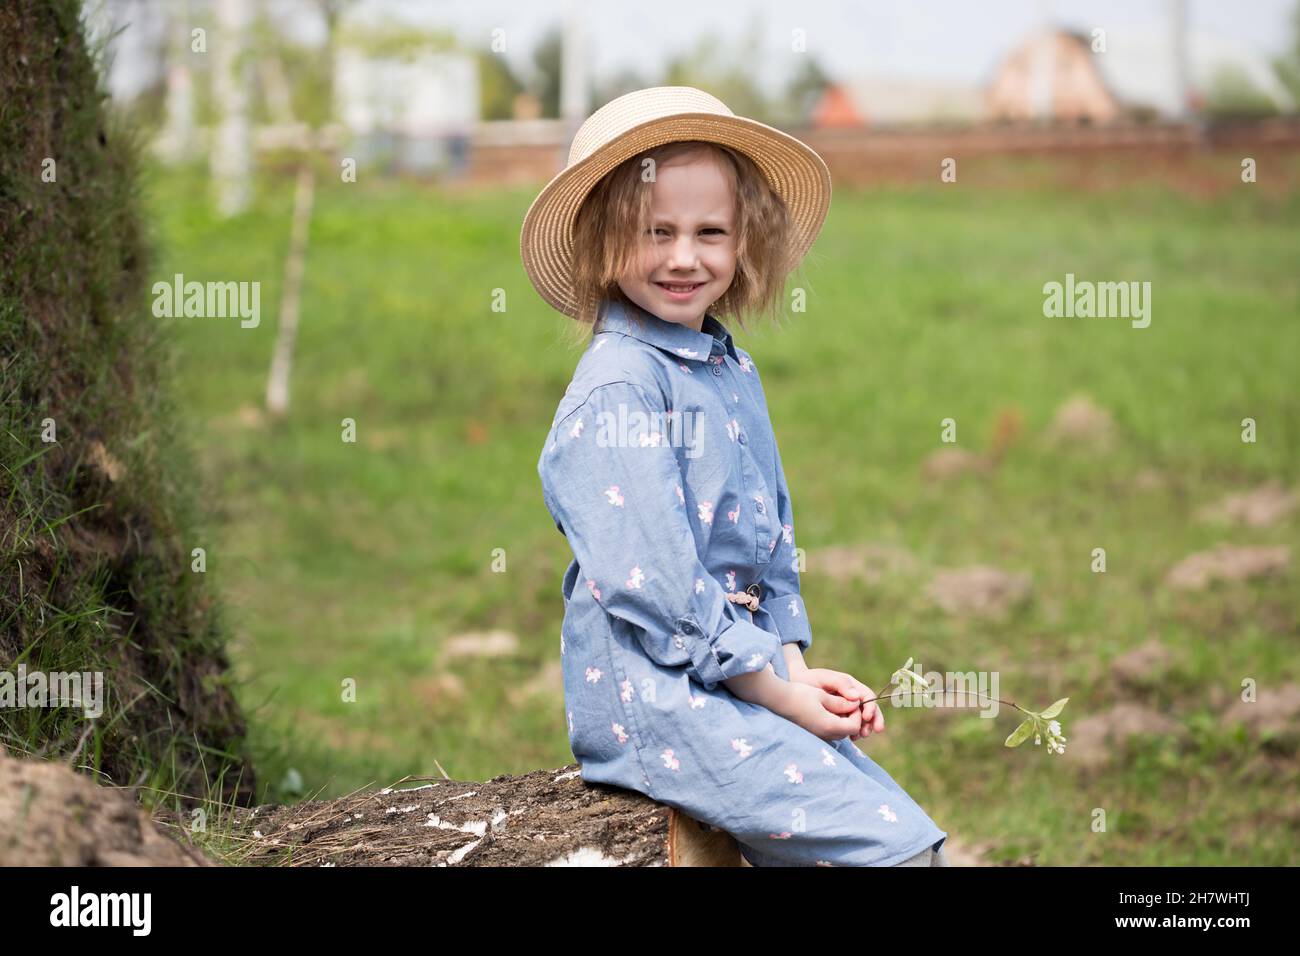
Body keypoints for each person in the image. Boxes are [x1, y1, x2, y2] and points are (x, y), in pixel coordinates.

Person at [523, 87, 949, 866]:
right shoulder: (620, 386)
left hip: (732, 678)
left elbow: (765, 548)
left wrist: (796, 670)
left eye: (709, 232)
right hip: (657, 700)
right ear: (601, 242)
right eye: (656, 232)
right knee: (892, 851)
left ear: (742, 241)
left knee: (901, 827)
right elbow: (660, 588)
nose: (685, 257)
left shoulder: (724, 368)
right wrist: (778, 696)